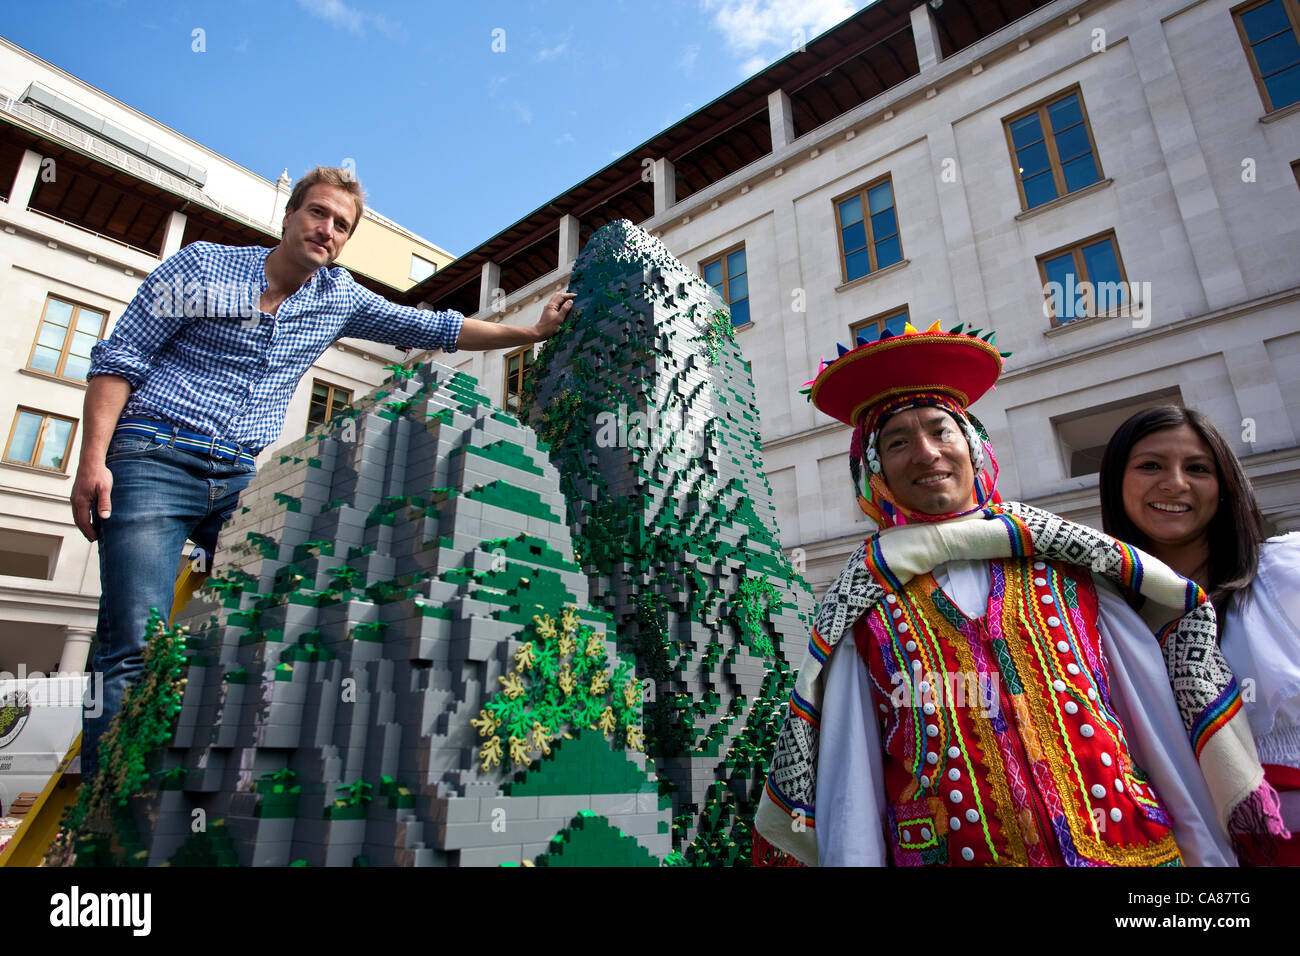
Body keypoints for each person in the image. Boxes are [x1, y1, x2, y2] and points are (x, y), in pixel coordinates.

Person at [73, 166, 574, 778]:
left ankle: (247, 774)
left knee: (304, 602)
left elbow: (438, 327)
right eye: (317, 213)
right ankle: (102, 811)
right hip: (152, 456)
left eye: (341, 224)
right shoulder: (202, 266)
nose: (326, 229)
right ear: (288, 217)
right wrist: (92, 462)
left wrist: (534, 331)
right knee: (134, 641)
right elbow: (119, 358)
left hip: (236, 480)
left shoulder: (337, 298)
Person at [753, 322, 1279, 866]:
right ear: (875, 471)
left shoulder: (1070, 566)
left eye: (942, 432)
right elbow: (852, 782)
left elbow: (1153, 722)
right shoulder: (863, 603)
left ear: (974, 449)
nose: (927, 454)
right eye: (898, 442)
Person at [1100, 405, 1300, 864]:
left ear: (1224, 485)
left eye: (1197, 468)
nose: (1175, 483)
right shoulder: (1099, 613)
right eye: (1150, 465)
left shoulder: (1285, 574)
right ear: (1116, 482)